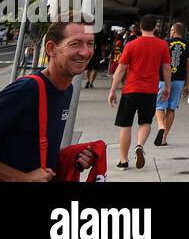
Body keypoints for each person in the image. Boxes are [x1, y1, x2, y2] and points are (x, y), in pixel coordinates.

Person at [0, 21, 98, 181]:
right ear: (51, 48)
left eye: (90, 44)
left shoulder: (67, 89)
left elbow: (35, 146)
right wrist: (22, 178)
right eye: (75, 44)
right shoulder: (26, 90)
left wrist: (73, 157)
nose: (85, 52)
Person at [107, 13, 171, 170]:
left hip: (131, 90)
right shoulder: (162, 45)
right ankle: (139, 145)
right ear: (155, 27)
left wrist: (113, 90)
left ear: (140, 27)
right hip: (149, 91)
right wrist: (167, 87)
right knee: (145, 122)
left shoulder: (131, 45)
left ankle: (123, 160)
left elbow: (121, 69)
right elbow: (166, 68)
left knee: (125, 125)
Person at [153, 22, 189, 147]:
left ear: (174, 31)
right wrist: (188, 84)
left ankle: (160, 127)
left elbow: (157, 61)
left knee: (159, 106)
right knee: (171, 108)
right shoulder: (188, 45)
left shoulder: (165, 43)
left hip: (163, 79)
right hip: (179, 80)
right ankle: (164, 137)